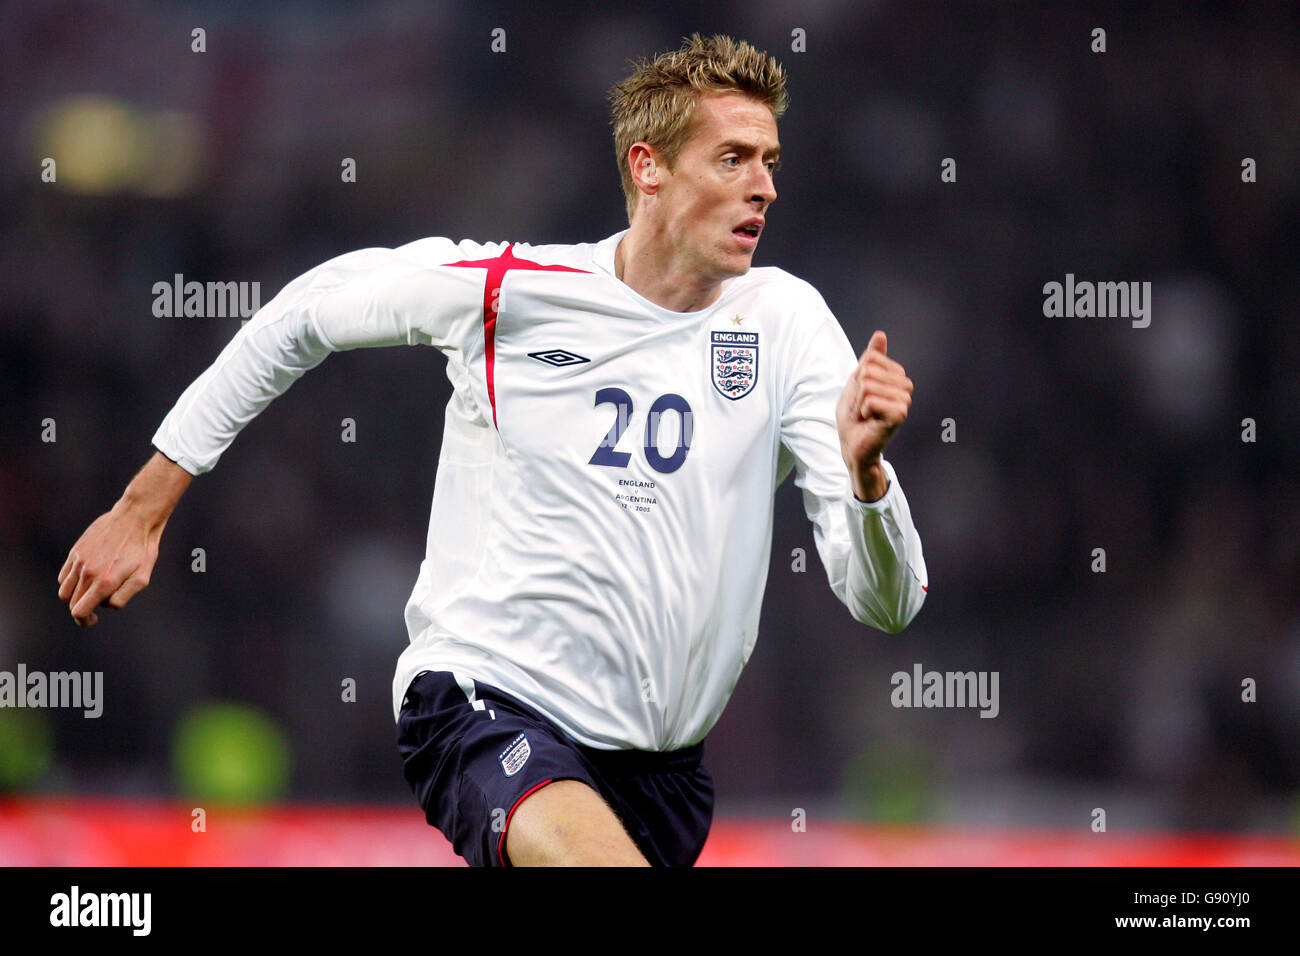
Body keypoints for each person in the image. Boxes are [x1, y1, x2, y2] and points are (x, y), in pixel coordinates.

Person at [56, 33, 927, 866]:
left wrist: (868, 478)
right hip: (484, 704)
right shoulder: (513, 292)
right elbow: (303, 315)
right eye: (733, 159)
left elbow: (886, 604)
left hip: (661, 778)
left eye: (770, 161)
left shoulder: (786, 324)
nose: (764, 187)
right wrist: (143, 506)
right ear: (649, 168)